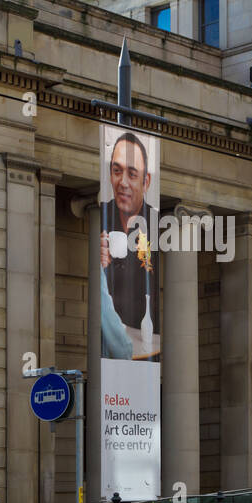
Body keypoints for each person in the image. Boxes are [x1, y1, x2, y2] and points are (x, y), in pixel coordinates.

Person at [99, 131, 159, 349]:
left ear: (146, 181)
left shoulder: (159, 224)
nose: (122, 182)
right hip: (108, 346)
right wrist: (98, 264)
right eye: (117, 171)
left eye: (132, 174)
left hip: (145, 348)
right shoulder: (101, 215)